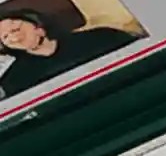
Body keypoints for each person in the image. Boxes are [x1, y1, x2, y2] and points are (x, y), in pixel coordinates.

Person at [0, 9, 136, 96]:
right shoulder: (14, 80)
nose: (14, 38)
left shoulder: (101, 37)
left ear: (37, 25)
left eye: (16, 30)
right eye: (5, 37)